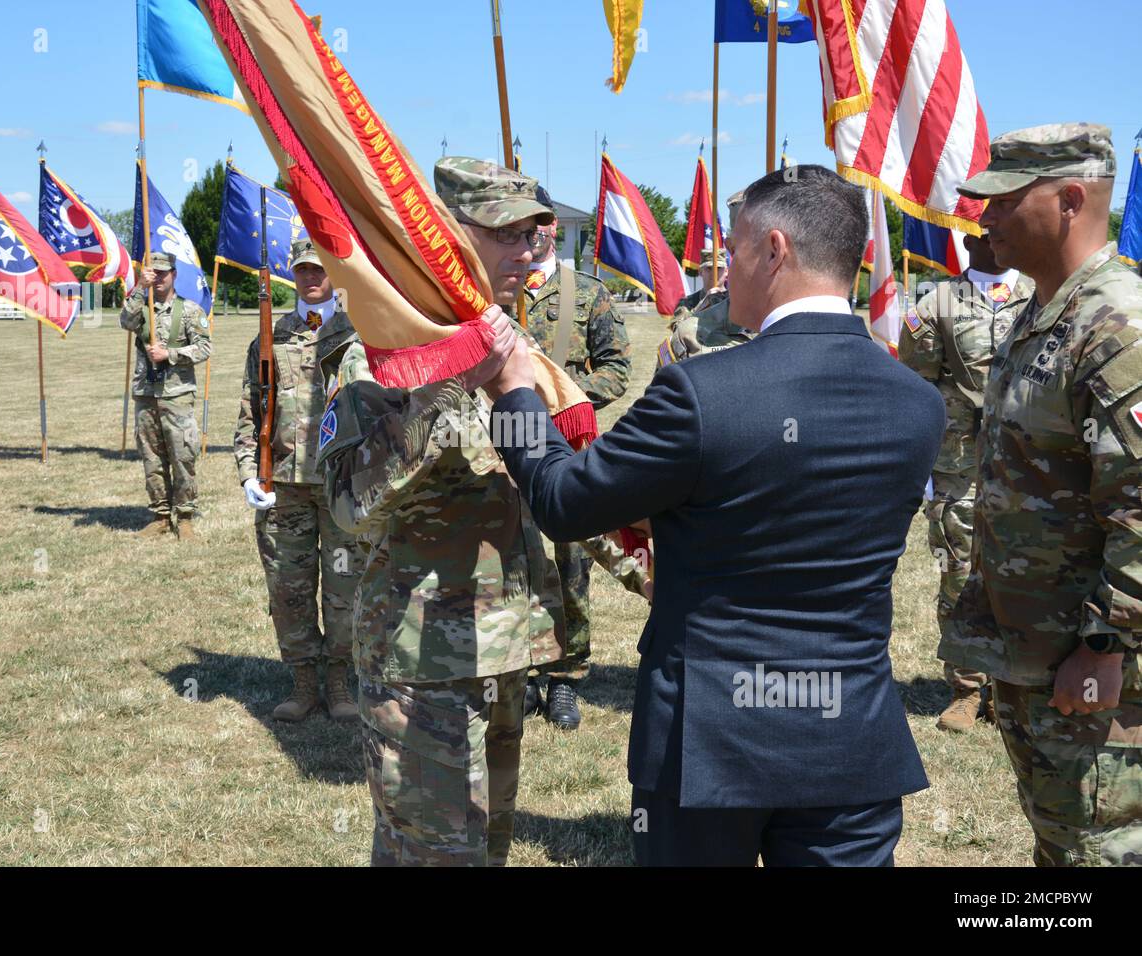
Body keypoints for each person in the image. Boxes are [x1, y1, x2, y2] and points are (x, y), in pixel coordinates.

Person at [485, 165, 944, 866]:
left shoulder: (702, 394)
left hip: (709, 745)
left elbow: (563, 501)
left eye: (733, 251)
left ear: (775, 251)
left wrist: (516, 395)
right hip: (850, 741)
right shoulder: (918, 402)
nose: (724, 272)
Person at [316, 158, 567, 866]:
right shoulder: (379, 354)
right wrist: (447, 386)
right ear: (450, 242)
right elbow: (346, 505)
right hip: (417, 657)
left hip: (502, 644)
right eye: (508, 235)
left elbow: (538, 476)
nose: (528, 253)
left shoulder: (514, 350)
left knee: (485, 845)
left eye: (536, 236)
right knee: (430, 852)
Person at [944, 123, 1142, 866]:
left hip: (1097, 670)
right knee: (1063, 846)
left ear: (1067, 200)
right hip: (1036, 653)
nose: (983, 217)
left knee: (1104, 849)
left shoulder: (1118, 325)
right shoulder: (1045, 312)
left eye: (1003, 201)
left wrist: (1104, 645)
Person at [899, 232, 1034, 732]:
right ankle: (966, 689)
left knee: (1025, 575)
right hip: (958, 469)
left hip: (1032, 468)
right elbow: (916, 391)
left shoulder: (1043, 298)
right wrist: (923, 471)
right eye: (981, 229)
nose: (993, 236)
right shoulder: (937, 305)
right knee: (959, 575)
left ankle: (1012, 687)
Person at [234, 239, 363, 722]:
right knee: (288, 589)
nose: (311, 278)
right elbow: (251, 412)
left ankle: (339, 681)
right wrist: (250, 472)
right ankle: (303, 681)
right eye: (303, 270)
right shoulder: (272, 336)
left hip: (341, 485)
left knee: (344, 588)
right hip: (284, 486)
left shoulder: (358, 332)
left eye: (320, 269)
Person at [522, 193, 632, 729]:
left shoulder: (586, 294)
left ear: (555, 230)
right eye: (526, 224)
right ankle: (518, 672)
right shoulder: (489, 293)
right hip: (502, 443)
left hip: (567, 445)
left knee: (573, 561)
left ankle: (566, 676)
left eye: (545, 223)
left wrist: (563, 396)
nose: (537, 232)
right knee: (511, 558)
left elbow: (617, 369)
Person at [119, 251, 211, 539]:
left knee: (182, 455)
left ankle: (184, 516)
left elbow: (205, 349)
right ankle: (160, 515)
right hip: (146, 393)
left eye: (163, 273)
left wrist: (169, 354)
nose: (158, 277)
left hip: (177, 394)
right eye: (153, 272)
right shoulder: (141, 305)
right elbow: (125, 321)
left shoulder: (190, 311)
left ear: (174, 274)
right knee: (152, 456)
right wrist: (138, 287)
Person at [657, 190, 753, 367]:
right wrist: (705, 307)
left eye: (719, 268)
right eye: (709, 269)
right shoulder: (689, 309)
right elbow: (678, 333)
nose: (714, 273)